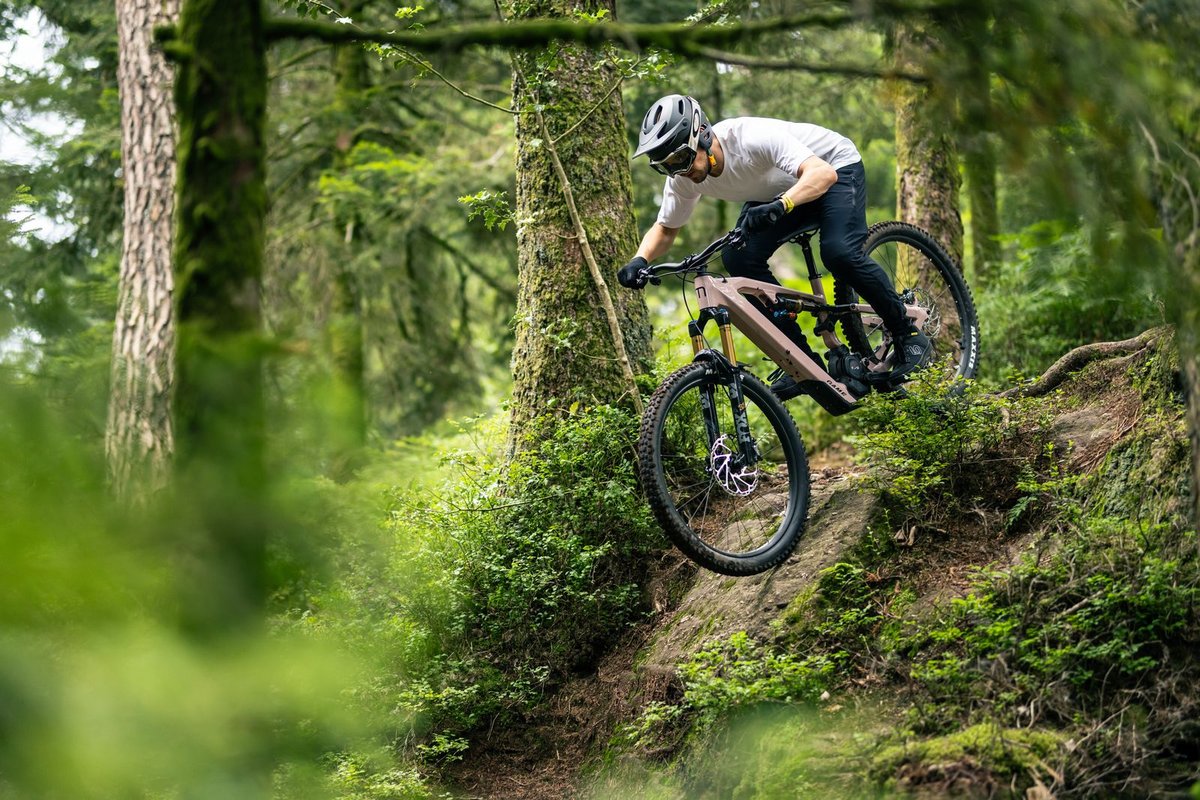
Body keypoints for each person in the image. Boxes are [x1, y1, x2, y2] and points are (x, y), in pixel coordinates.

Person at [616, 94, 932, 397]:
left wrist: (782, 205)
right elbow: (666, 228)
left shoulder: (750, 138)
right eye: (668, 166)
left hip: (833, 168)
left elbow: (821, 174)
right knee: (738, 257)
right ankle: (800, 360)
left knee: (839, 252)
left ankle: (908, 333)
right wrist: (639, 259)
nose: (681, 171)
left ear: (701, 133)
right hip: (779, 191)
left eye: (682, 159)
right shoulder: (684, 175)